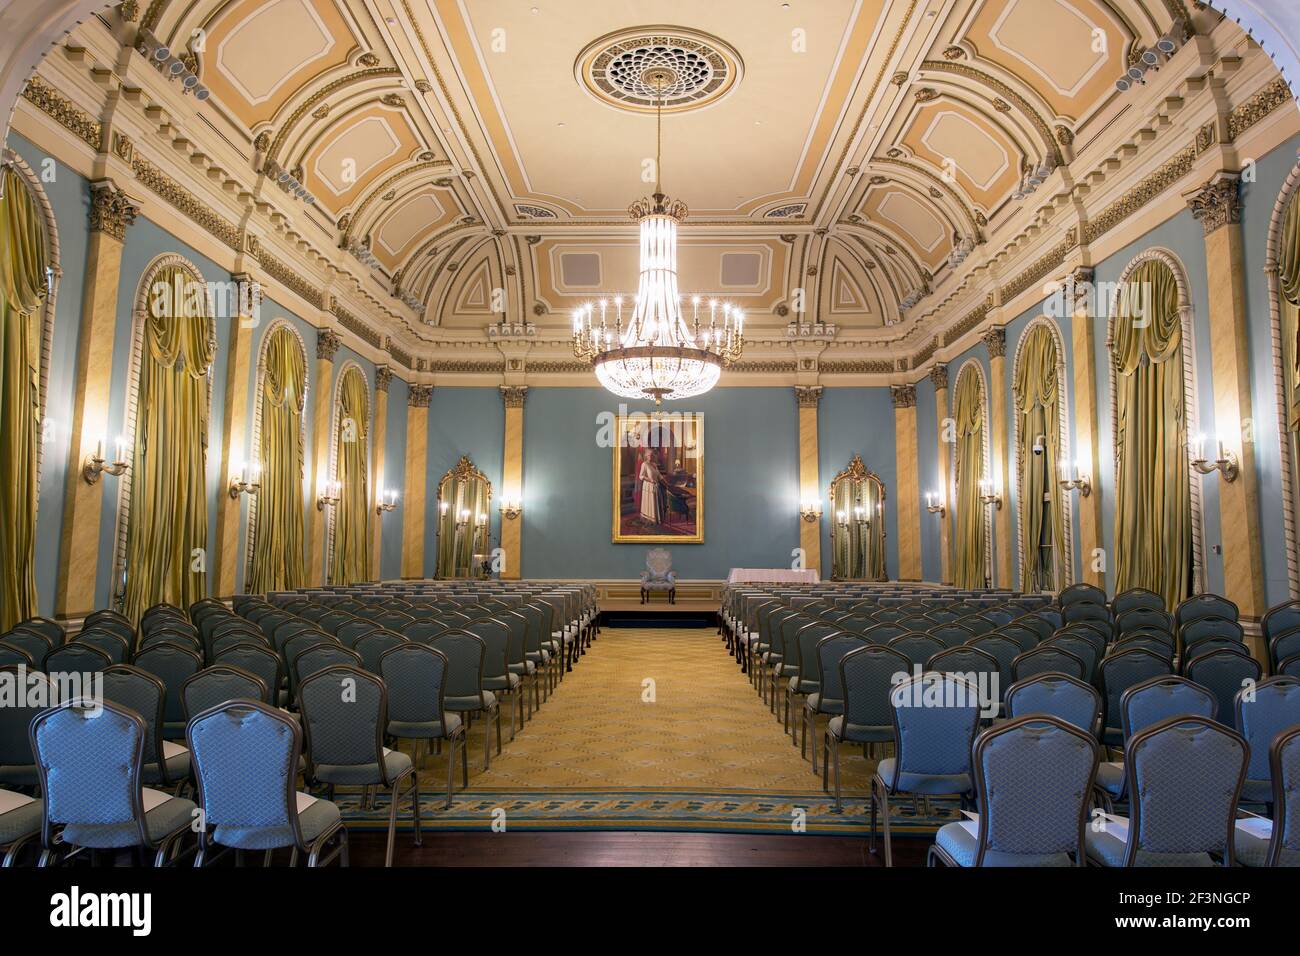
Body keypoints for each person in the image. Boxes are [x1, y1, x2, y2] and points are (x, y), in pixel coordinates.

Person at [639, 452, 662, 526]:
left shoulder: (654, 464)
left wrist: (665, 481)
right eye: (649, 455)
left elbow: (659, 475)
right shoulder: (644, 464)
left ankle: (655, 518)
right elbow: (641, 476)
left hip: (655, 486)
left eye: (652, 455)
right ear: (646, 456)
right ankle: (649, 519)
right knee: (649, 502)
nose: (651, 456)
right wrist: (650, 480)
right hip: (648, 486)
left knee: (654, 502)